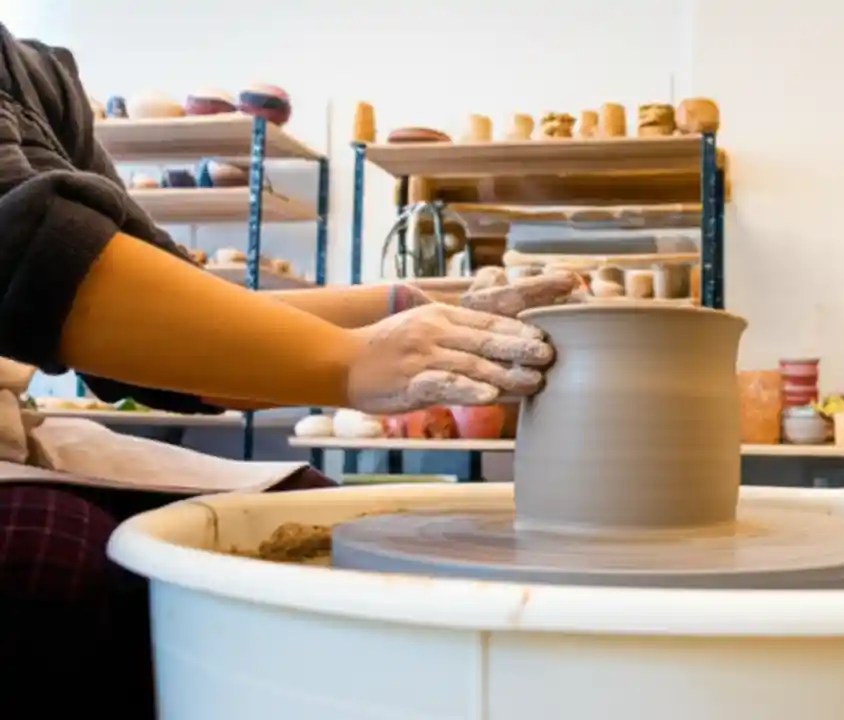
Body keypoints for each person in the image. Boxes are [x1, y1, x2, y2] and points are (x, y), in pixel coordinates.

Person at [0, 25, 577, 715]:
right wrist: (353, 360)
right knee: (51, 560)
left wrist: (419, 310)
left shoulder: (40, 75)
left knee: (314, 515)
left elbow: (183, 328)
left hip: (20, 441)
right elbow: (29, 260)